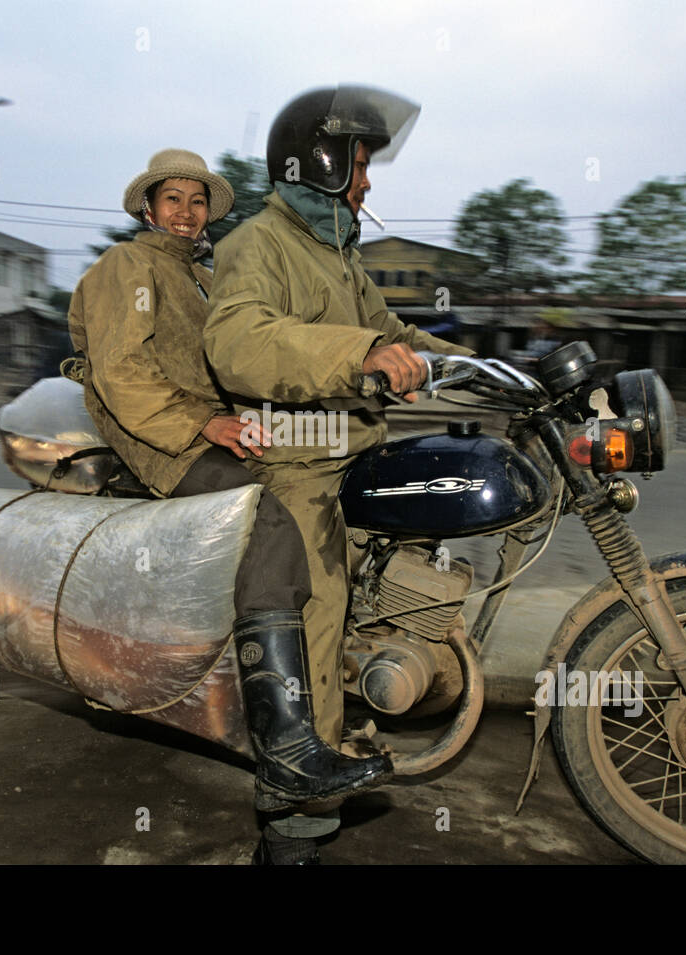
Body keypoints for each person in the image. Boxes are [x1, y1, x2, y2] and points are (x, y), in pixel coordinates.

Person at [67, 150, 391, 860]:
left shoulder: (202, 276)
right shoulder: (129, 270)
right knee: (270, 524)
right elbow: (123, 374)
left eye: (196, 200)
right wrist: (203, 425)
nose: (185, 211)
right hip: (164, 439)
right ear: (147, 207)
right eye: (171, 199)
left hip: (216, 431)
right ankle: (288, 753)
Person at [204, 87, 475, 770]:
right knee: (318, 606)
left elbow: (394, 334)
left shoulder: (340, 254)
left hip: (354, 449)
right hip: (298, 462)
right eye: (359, 162)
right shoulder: (257, 244)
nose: (368, 179)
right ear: (320, 162)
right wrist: (353, 356)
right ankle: (300, 785)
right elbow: (240, 339)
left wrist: (486, 368)